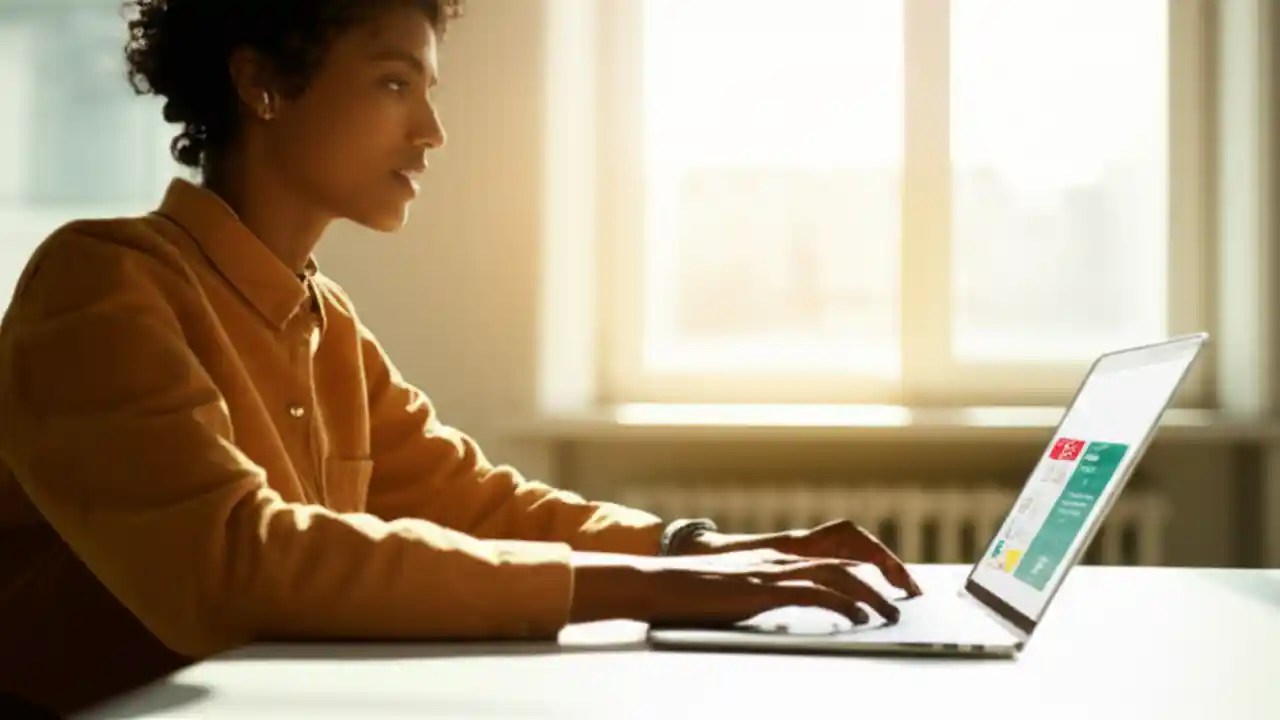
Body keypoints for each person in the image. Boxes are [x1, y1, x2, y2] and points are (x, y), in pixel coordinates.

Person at [0, 0, 920, 714]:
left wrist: (706, 552)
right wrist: (662, 587)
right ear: (263, 84)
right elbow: (240, 563)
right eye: (397, 84)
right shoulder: (99, 286)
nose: (433, 131)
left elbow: (474, 503)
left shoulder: (323, 320)